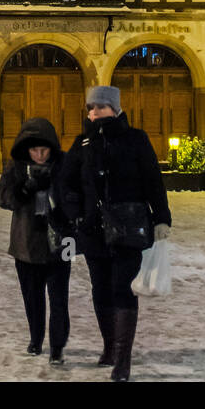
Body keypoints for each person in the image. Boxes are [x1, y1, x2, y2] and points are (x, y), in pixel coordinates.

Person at [59, 85, 171, 382]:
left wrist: (162, 218)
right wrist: (76, 214)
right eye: (91, 108)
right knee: (101, 290)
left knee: (123, 289)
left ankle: (123, 360)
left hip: (128, 227)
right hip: (93, 229)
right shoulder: (82, 143)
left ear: (116, 109)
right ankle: (109, 346)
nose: (95, 112)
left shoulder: (135, 139)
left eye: (101, 107)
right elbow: (65, 183)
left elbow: (153, 181)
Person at [0, 118, 71, 364]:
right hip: (26, 242)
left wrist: (60, 201)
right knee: (32, 295)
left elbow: (77, 194)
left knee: (59, 298)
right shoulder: (16, 166)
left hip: (59, 243)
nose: (40, 155)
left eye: (44, 150)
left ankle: (57, 347)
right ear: (26, 148)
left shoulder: (63, 165)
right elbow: (3, 196)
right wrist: (24, 189)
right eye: (34, 150)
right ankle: (36, 339)